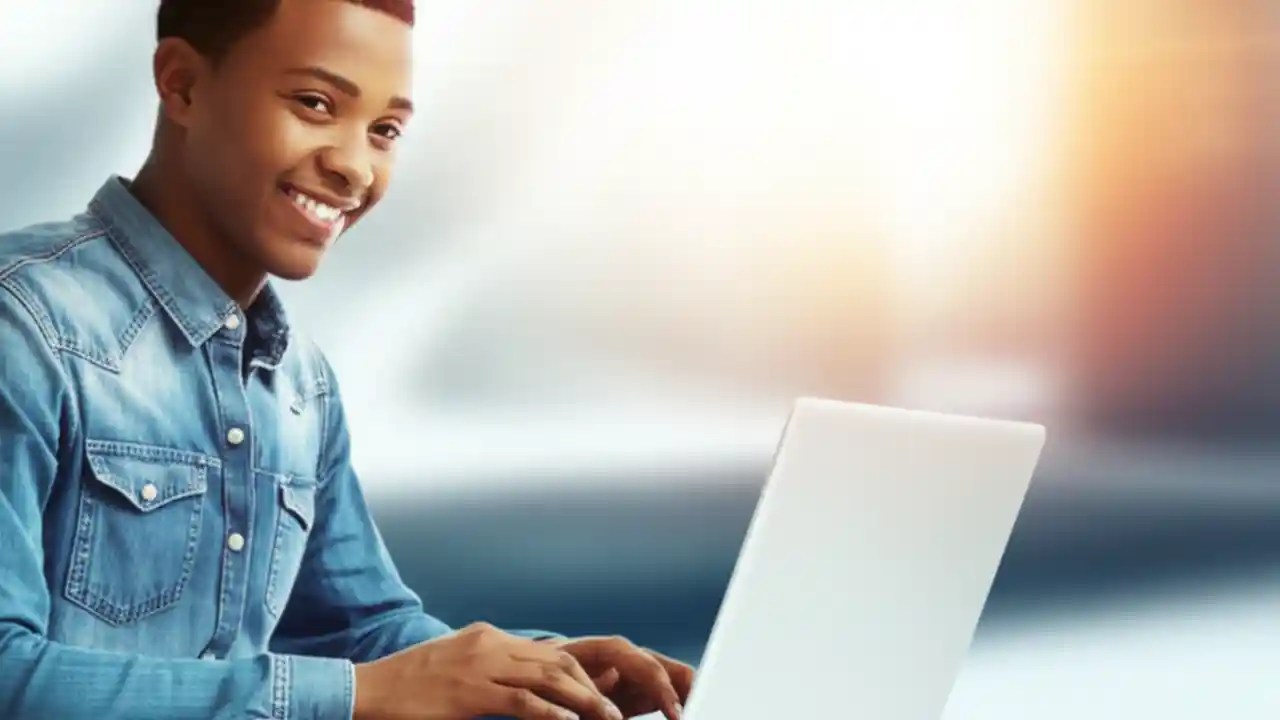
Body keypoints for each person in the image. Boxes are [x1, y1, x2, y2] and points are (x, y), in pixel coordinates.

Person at [0, 1, 694, 718]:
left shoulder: (301, 386)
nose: (354, 166)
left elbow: (361, 631)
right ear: (182, 85)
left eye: (385, 130)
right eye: (315, 103)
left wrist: (543, 671)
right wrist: (366, 694)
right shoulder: (22, 325)